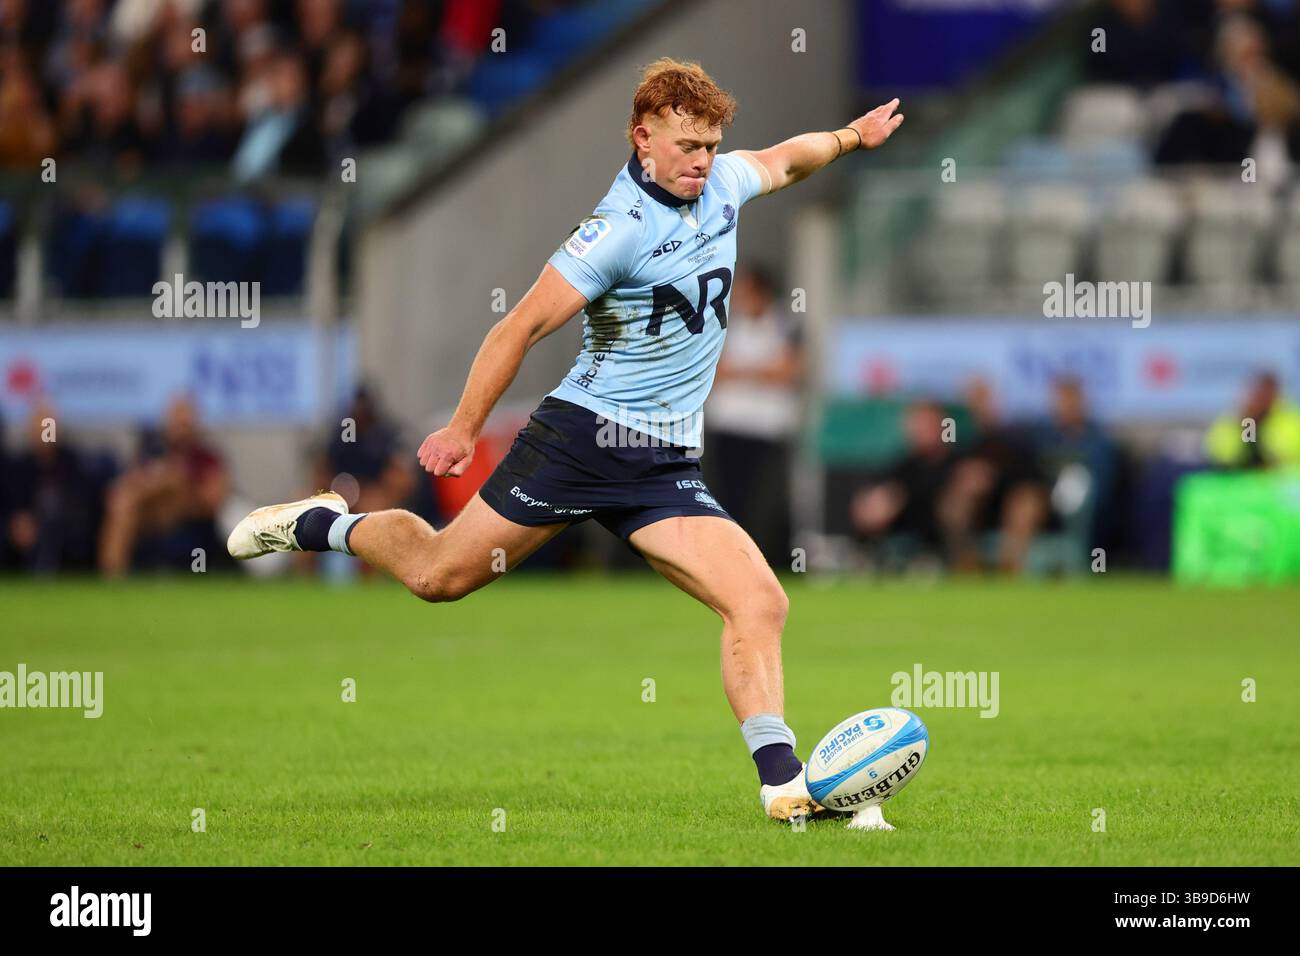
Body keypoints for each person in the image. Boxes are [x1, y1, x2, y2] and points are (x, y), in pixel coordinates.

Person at [227, 58, 905, 822]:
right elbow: (518, 327)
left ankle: (783, 787)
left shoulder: (722, 183)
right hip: (579, 442)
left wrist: (851, 137)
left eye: (712, 145)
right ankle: (320, 523)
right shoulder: (616, 230)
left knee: (759, 601)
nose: (703, 161)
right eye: (688, 146)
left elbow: (784, 160)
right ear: (643, 138)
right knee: (439, 576)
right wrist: (463, 428)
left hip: (662, 464)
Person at [704, 263, 802, 564]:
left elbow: (788, 371)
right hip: (728, 426)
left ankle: (768, 561)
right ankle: (730, 560)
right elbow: (716, 371)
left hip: (768, 429)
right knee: (728, 499)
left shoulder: (786, 325)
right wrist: (761, 370)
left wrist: (742, 371)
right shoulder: (726, 324)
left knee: (767, 503)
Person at [99, 395, 229, 576]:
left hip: (191, 521)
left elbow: (214, 501)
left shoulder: (206, 459)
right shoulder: (153, 451)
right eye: (177, 422)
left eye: (186, 423)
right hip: (150, 518)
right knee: (123, 504)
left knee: (172, 488)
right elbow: (128, 484)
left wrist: (182, 489)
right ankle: (112, 575)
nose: (181, 429)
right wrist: (157, 482)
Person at [1205, 371, 1300, 468]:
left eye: (1264, 393)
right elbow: (1222, 456)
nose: (1259, 399)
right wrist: (1246, 422)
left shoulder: (1289, 420)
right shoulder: (1235, 421)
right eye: (1256, 394)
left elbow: (1282, 456)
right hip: (1242, 475)